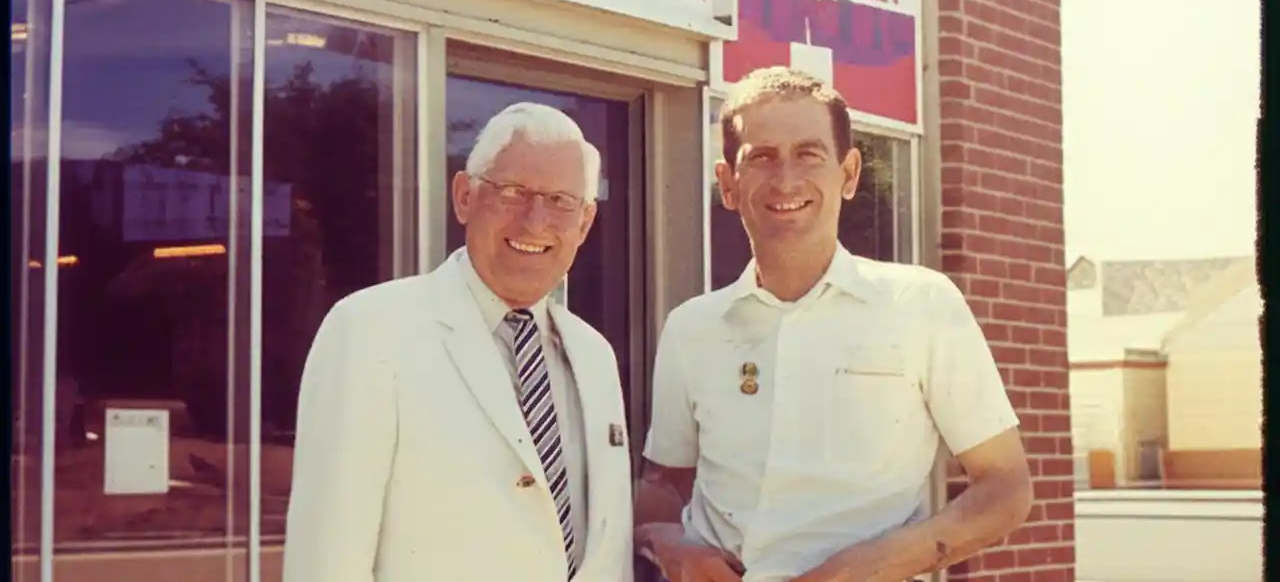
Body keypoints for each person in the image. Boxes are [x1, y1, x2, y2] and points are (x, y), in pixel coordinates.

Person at [634, 67, 1032, 582]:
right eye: (761, 157)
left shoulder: (922, 304)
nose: (785, 180)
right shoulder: (691, 328)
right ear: (728, 184)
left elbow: (1005, 487)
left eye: (808, 154)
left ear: (848, 174)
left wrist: (866, 568)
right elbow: (662, 486)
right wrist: (671, 544)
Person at [283, 102, 634, 582]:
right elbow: (326, 561)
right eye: (513, 192)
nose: (535, 222)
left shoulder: (595, 356)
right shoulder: (370, 330)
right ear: (465, 196)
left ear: (585, 222)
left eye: (560, 201)